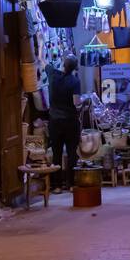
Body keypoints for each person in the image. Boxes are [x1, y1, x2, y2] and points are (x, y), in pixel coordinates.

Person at [44, 54, 81, 188]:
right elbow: (76, 102)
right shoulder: (75, 81)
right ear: (75, 67)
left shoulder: (53, 75)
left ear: (63, 64)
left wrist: (42, 45)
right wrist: (83, 102)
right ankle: (71, 184)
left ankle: (57, 185)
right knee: (72, 153)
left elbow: (43, 63)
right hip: (70, 121)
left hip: (55, 121)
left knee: (56, 153)